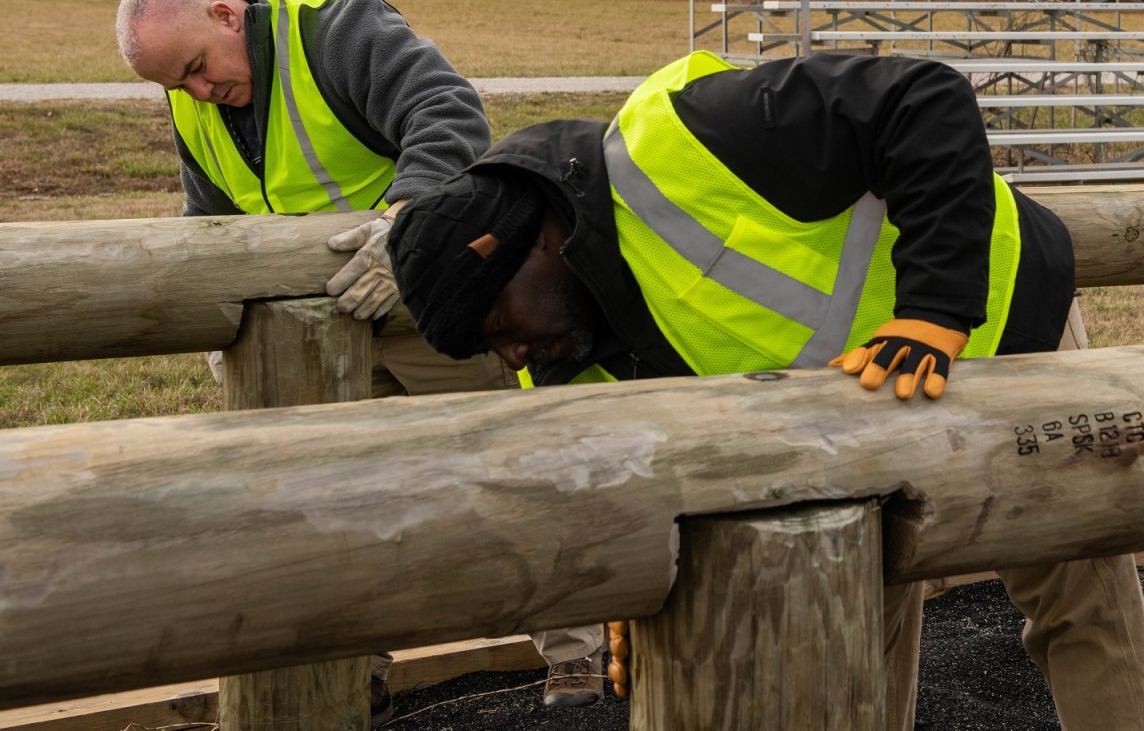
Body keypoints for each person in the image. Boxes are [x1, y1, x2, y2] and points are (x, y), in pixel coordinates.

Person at [386, 50, 1144, 729]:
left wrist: (935, 310)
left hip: (1002, 336)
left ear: (533, 241)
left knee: (1081, 607)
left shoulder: (685, 139)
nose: (510, 350)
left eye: (497, 321)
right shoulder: (566, 363)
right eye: (492, 348)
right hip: (847, 433)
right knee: (848, 650)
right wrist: (631, 594)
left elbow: (924, 98)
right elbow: (655, 488)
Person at [114, 0, 604, 720]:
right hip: (314, 332)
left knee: (507, 470)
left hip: (422, 304)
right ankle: (349, 673)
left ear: (225, 14)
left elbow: (446, 111)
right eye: (177, 85)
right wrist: (216, 316)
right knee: (332, 503)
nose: (199, 92)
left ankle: (580, 661)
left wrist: (403, 227)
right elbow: (205, 214)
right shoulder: (196, 97)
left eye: (197, 69)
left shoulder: (333, 28)